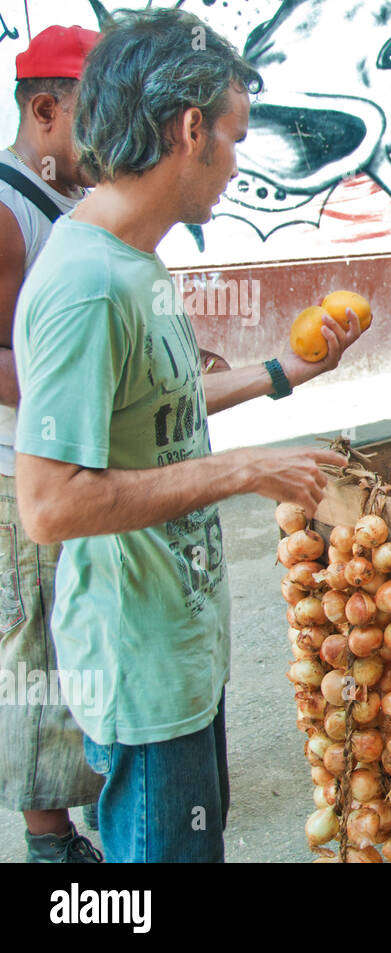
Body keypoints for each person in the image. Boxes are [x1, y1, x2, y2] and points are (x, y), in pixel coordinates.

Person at [12, 8, 361, 862]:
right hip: (140, 673)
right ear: (190, 128)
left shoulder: (135, 263)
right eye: (235, 138)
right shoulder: (88, 283)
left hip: (181, 650)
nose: (238, 165)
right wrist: (241, 471)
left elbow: (166, 413)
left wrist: (281, 372)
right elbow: (50, 506)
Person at [0, 24, 104, 864]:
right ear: (45, 109)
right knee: (36, 655)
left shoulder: (68, 199)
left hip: (82, 465)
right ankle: (48, 843)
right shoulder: (7, 210)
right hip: (21, 477)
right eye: (96, 119)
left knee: (85, 643)